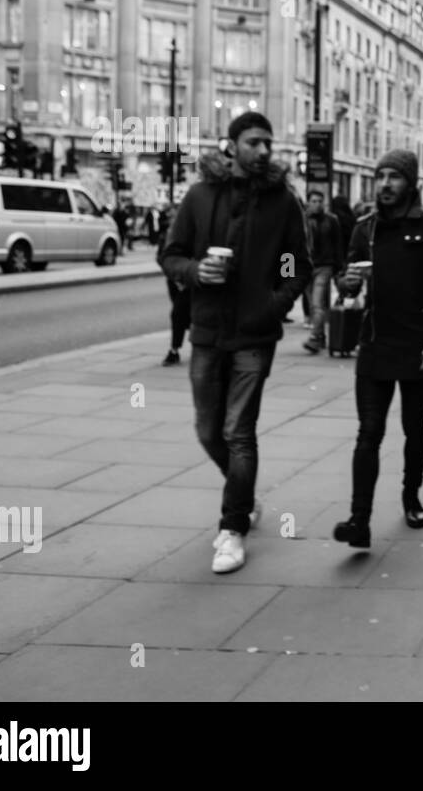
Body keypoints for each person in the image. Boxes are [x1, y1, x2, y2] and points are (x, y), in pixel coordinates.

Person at [161, 111, 312, 574]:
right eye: (254, 142)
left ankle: (232, 529)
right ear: (232, 146)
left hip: (255, 332)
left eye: (268, 142)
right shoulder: (201, 196)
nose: (264, 150)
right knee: (207, 430)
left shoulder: (283, 201)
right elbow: (170, 254)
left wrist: (276, 300)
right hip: (207, 329)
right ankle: (243, 494)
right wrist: (194, 272)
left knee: (237, 431)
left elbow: (295, 262)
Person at [330, 151, 423, 547]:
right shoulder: (364, 229)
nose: (385, 184)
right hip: (374, 343)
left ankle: (411, 496)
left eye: (394, 177)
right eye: (380, 176)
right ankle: (359, 519)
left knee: (413, 428)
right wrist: (347, 282)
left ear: (410, 182)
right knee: (368, 433)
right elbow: (346, 280)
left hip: (418, 345)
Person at [302, 190, 344, 354]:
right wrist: (287, 272)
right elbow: (290, 246)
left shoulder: (331, 220)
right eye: (314, 201)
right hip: (305, 267)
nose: (317, 204)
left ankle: (314, 337)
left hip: (324, 266)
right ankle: (320, 337)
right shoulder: (301, 220)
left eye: (320, 201)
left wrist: (339, 268)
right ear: (308, 202)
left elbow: (338, 244)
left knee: (318, 303)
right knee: (313, 305)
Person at [156, 201, 191, 366]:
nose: (170, 218)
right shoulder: (166, 235)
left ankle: (174, 350)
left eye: (172, 214)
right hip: (173, 281)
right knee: (182, 313)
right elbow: (161, 257)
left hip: (186, 281)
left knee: (177, 313)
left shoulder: (188, 232)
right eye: (168, 215)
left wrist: (184, 274)